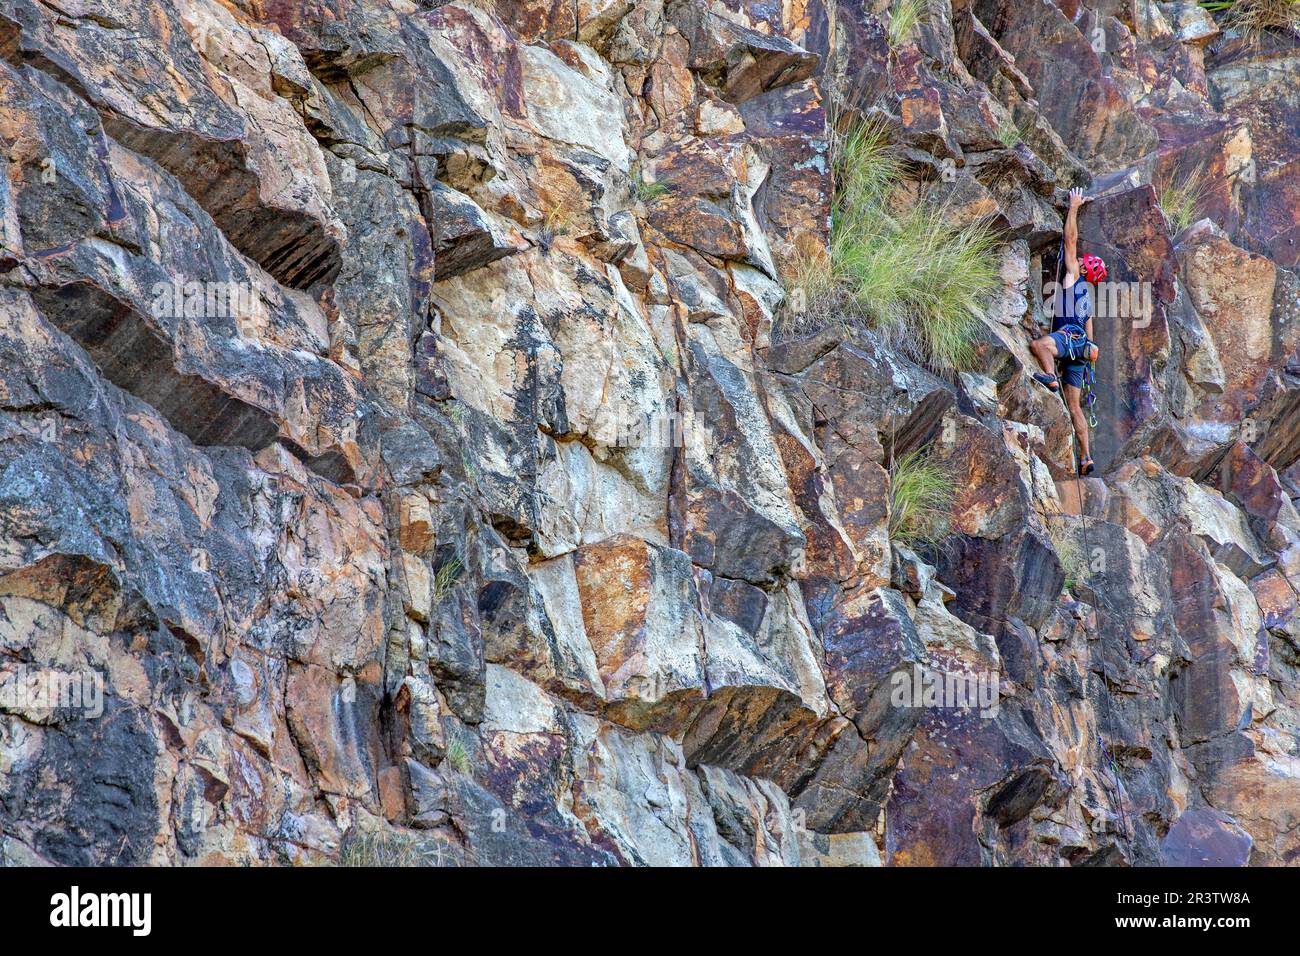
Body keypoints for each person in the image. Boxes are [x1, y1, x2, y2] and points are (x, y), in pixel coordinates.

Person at [1030, 186, 1108, 476]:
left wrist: (1073, 206)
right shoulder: (1087, 298)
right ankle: (1086, 457)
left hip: (1070, 340)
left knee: (1040, 346)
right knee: (1075, 407)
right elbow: (1091, 338)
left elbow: (1070, 239)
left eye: (1086, 263)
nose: (1081, 259)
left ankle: (1050, 377)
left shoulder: (1074, 277)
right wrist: (1088, 354)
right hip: (1082, 348)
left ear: (1086, 270)